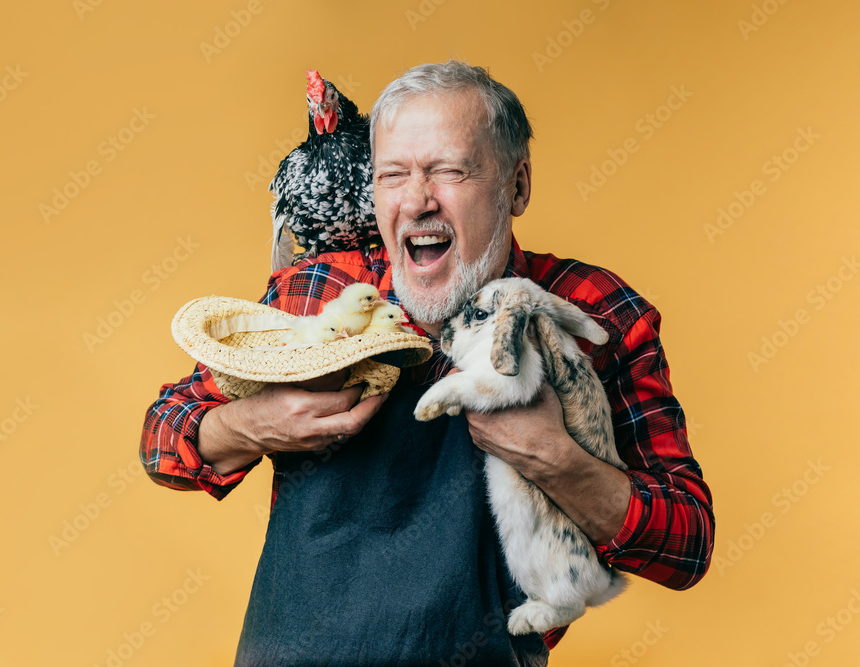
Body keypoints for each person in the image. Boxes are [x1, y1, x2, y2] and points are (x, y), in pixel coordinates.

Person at [139, 61, 714, 666]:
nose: (417, 200)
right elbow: (163, 439)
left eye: (449, 170)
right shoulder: (318, 294)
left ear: (516, 186)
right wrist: (253, 425)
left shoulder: (598, 313)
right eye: (393, 175)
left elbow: (687, 543)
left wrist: (556, 460)